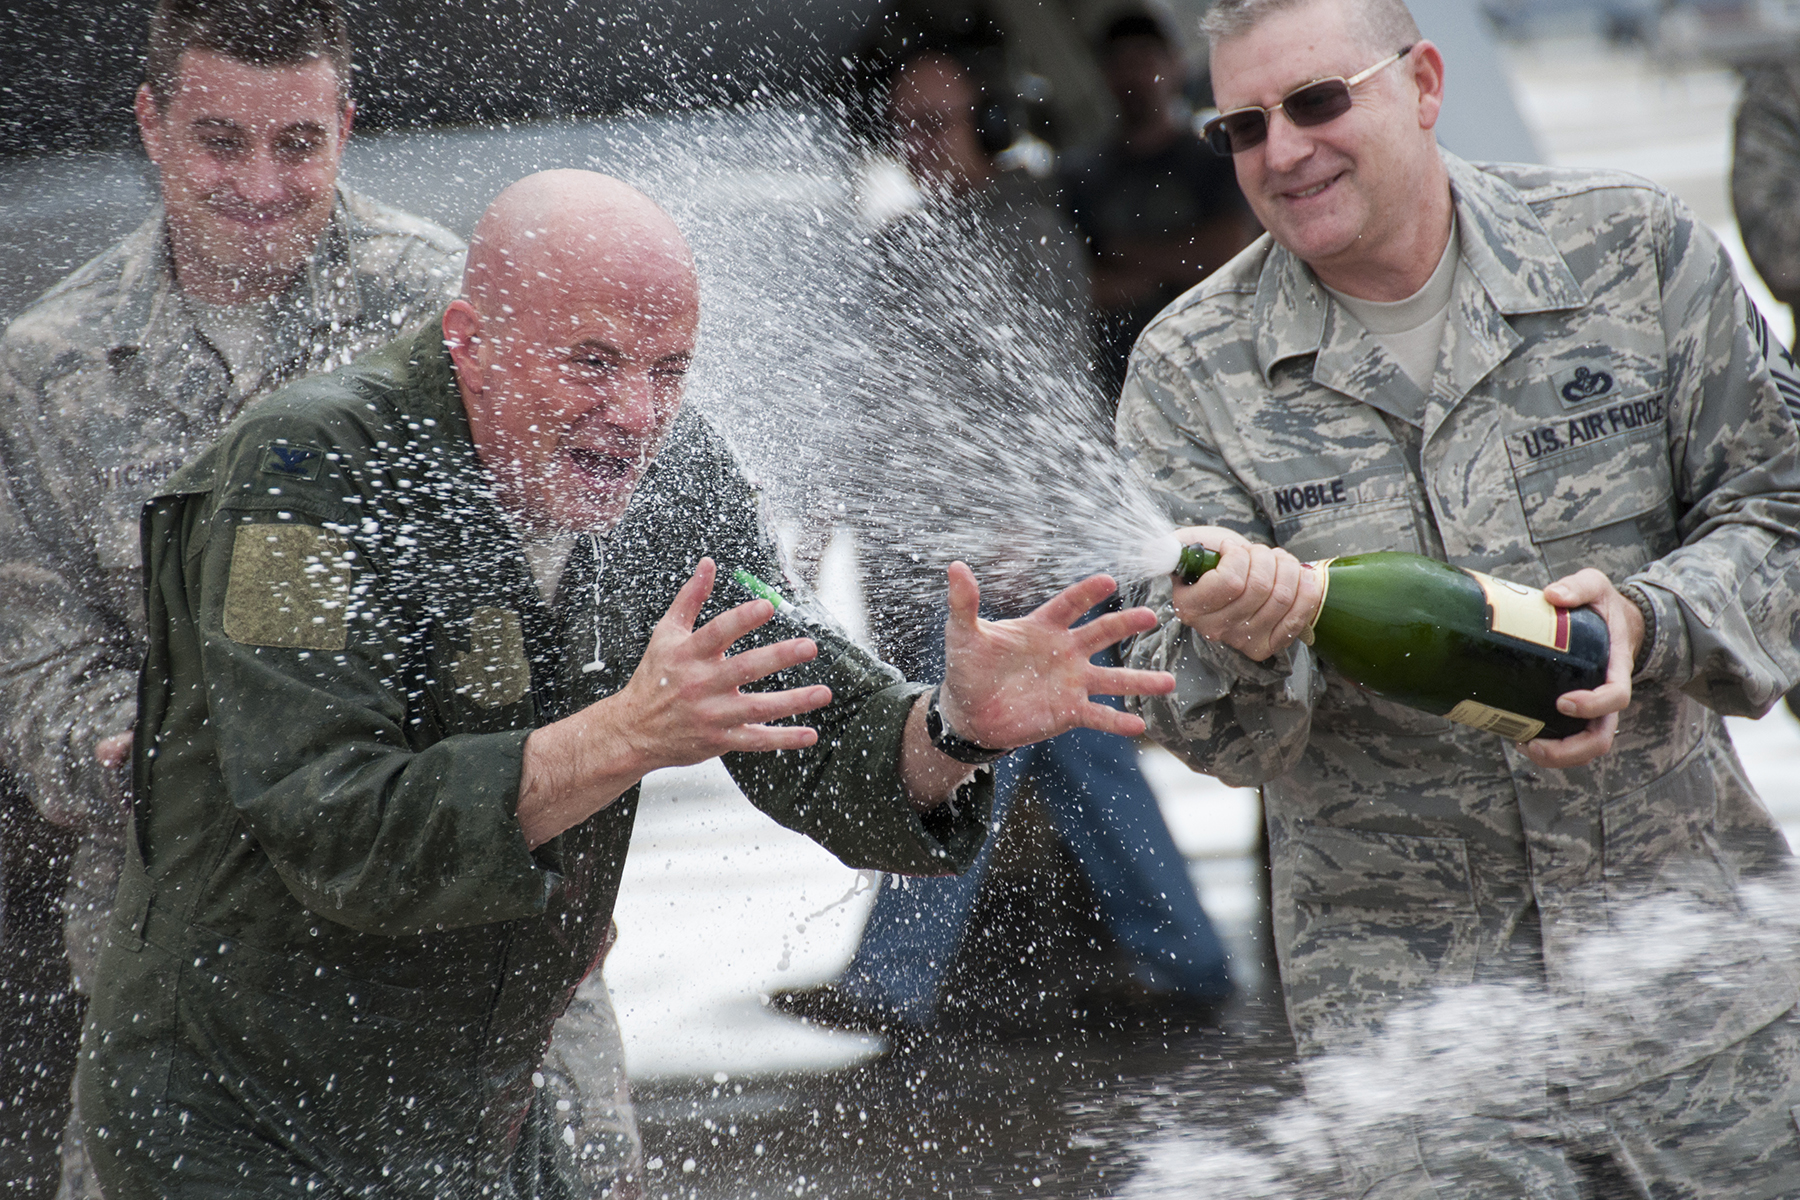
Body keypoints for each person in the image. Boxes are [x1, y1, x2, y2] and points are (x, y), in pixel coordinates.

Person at [78, 167, 1175, 1198]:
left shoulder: (672, 474)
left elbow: (803, 696)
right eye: (592, 362)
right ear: (470, 341)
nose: (637, 413)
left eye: (668, 369)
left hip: (477, 1095)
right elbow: (333, 825)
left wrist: (953, 729)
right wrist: (628, 734)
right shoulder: (307, 472)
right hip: (242, 1110)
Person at [1115, 0, 1800, 1193]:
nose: (1283, 151)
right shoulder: (1188, 377)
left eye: (1317, 102)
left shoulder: (1630, 253)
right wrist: (1241, 644)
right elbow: (1204, 725)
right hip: (1425, 1065)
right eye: (1242, 126)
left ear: (1425, 83)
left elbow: (1781, 510)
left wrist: (1648, 623)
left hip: (1702, 1003)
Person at [0, 1, 464, 1194]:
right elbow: (34, 667)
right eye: (219, 140)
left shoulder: (447, 314)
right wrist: (145, 749)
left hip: (442, 958)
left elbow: (535, 614)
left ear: (346, 127)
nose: (260, 185)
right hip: (176, 971)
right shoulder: (44, 369)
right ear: (150, 124)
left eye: (297, 144)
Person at [774, 48, 1233, 1037]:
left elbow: (1046, 387)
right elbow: (866, 397)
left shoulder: (1026, 232)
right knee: (1081, 769)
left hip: (1017, 563)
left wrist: (1028, 527)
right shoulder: (903, 241)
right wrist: (817, 519)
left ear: (988, 126)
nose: (915, 142)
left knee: (965, 744)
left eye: (936, 121)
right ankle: (1191, 963)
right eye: (903, 123)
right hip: (935, 559)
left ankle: (892, 980)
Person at [1062, 10, 1261, 400]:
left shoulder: (1217, 156)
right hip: (1123, 384)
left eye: (1144, 59)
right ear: (1104, 75)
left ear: (1176, 64)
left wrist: (1119, 252)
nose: (1133, 76)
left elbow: (1229, 251)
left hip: (1228, 370)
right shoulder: (1080, 178)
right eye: (1119, 63)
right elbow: (1076, 283)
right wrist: (1177, 265)